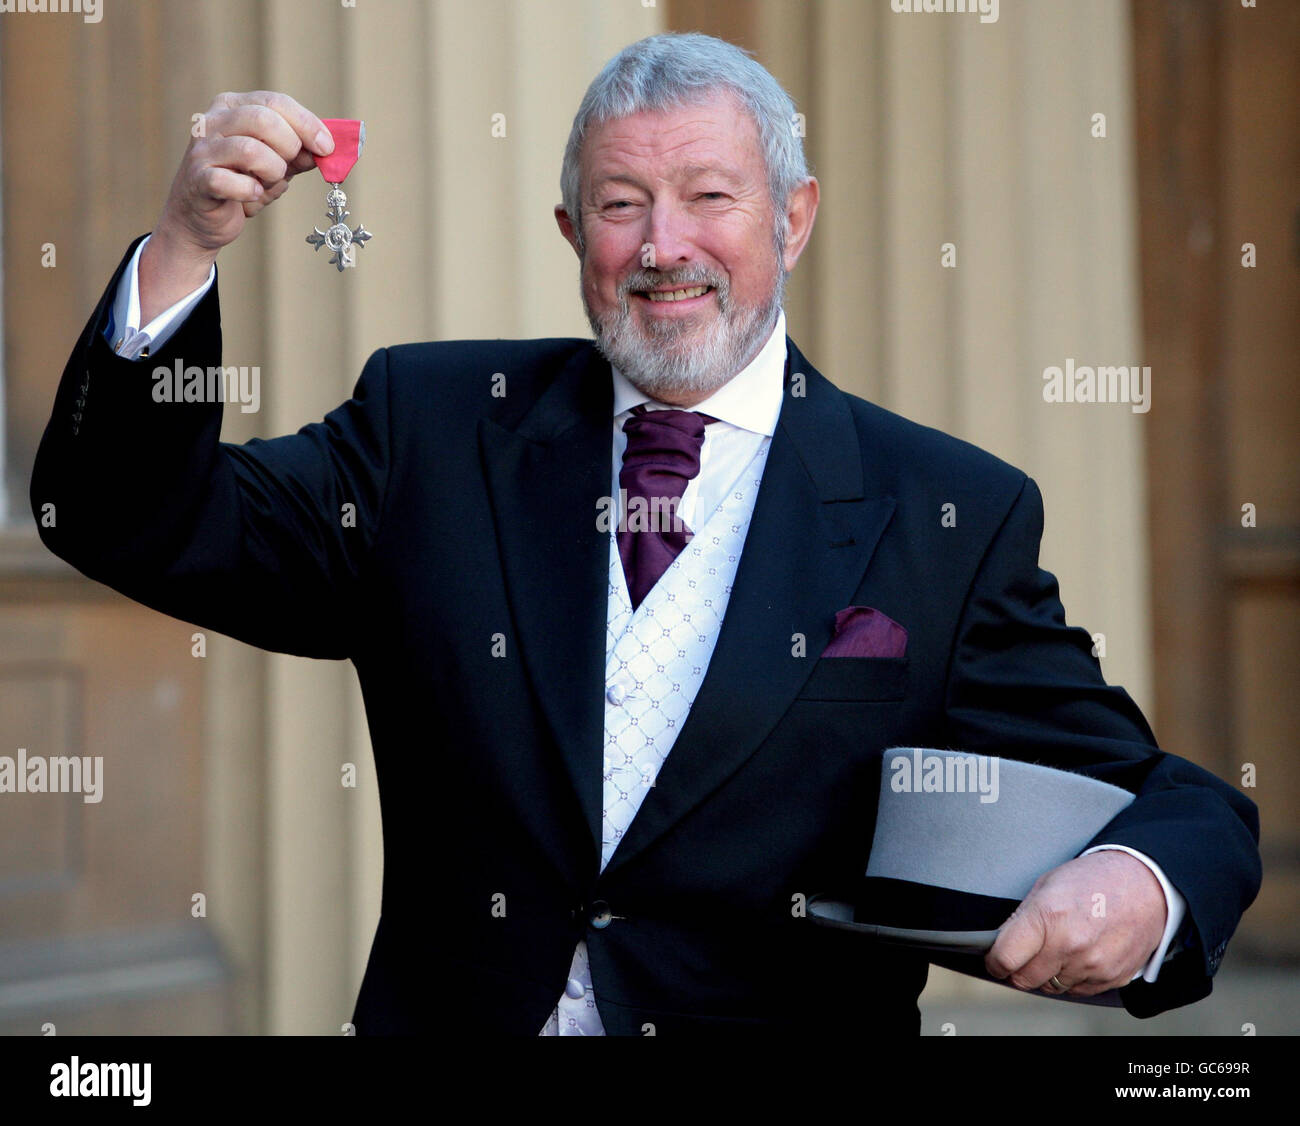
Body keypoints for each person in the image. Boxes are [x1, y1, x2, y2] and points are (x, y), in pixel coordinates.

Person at [32, 32, 1259, 1035]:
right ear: (573, 236)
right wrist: (184, 245)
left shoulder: (947, 509)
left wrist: (1137, 883)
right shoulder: (435, 430)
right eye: (620, 205)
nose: (662, 248)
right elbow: (130, 520)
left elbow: (1161, 798)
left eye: (709, 197)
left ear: (793, 218)